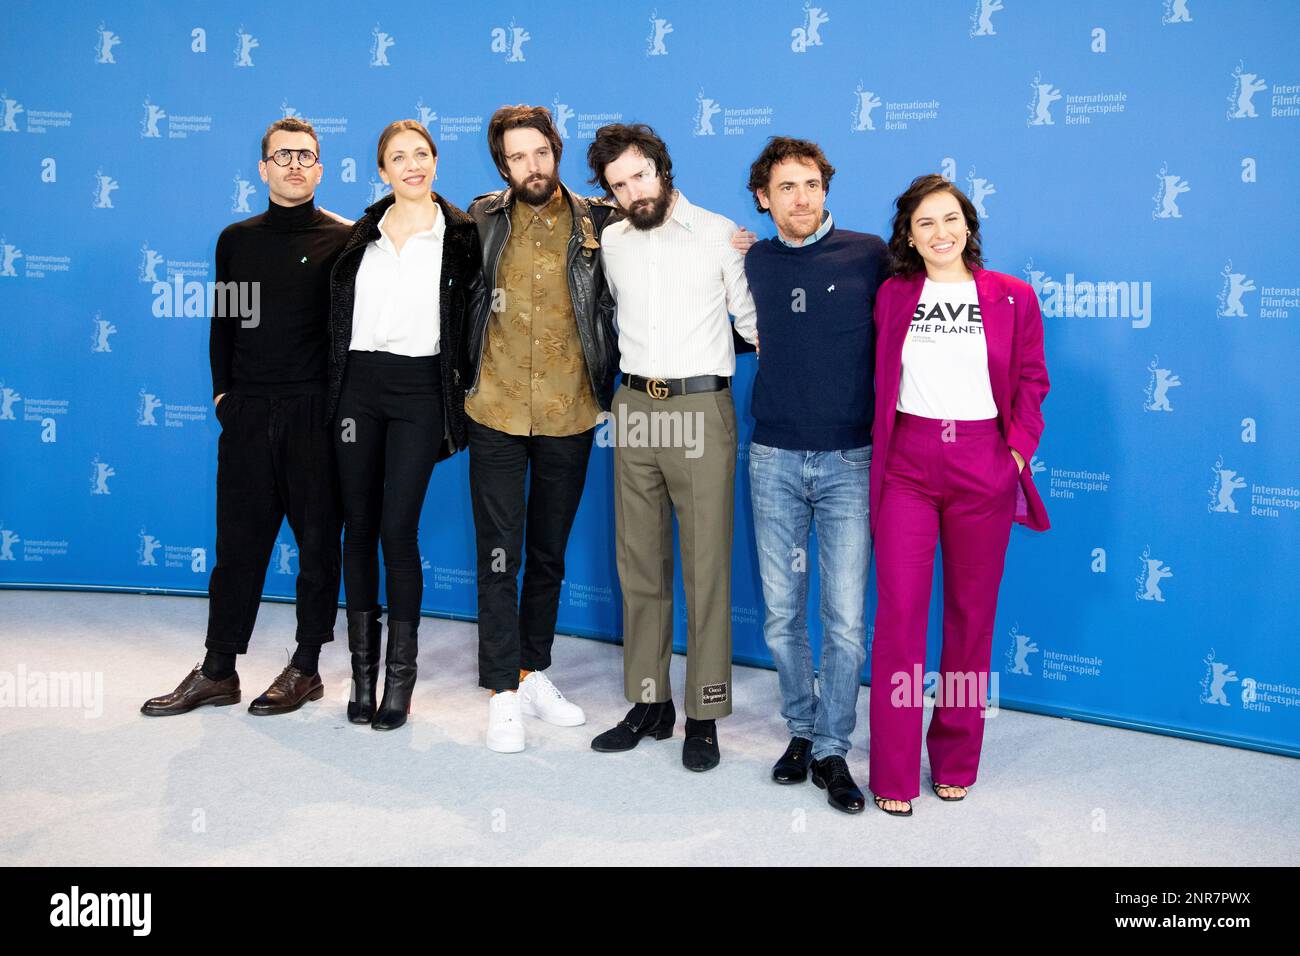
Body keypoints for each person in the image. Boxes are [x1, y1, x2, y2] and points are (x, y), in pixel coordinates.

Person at [142, 118, 351, 718]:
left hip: (314, 412)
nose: (293, 164)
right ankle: (218, 670)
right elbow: (224, 324)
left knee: (317, 546)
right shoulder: (236, 239)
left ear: (320, 168)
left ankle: (306, 667)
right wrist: (222, 397)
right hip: (248, 413)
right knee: (237, 547)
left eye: (305, 155)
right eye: (281, 155)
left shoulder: (345, 239)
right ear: (262, 169)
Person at [868, 174, 1050, 815]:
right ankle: (892, 771)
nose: (940, 233)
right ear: (909, 238)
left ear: (968, 226)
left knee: (971, 624)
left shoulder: (1011, 297)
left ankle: (955, 759)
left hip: (983, 468)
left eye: (950, 219)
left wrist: (1017, 451)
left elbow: (1032, 380)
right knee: (899, 621)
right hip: (908, 469)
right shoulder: (893, 295)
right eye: (925, 224)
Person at [585, 123, 758, 772]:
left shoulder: (718, 233)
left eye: (639, 174)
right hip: (633, 407)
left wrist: (763, 257)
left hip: (700, 407)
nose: (633, 191)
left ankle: (704, 711)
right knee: (641, 564)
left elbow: (754, 324)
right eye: (618, 183)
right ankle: (649, 702)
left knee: (706, 568)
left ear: (662, 167)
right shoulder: (612, 240)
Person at [463, 105, 621, 753]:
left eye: (540, 152)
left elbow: (663, 239)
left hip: (570, 411)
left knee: (548, 552)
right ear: (502, 164)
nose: (532, 166)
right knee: (499, 554)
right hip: (495, 410)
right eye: (517, 156)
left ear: (556, 150)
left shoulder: (600, 223)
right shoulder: (477, 220)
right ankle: (501, 691)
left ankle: (532, 672)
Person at [742, 137, 889, 813]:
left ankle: (833, 747)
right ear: (763, 199)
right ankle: (799, 729)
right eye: (786, 187)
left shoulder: (870, 256)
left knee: (846, 622)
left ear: (826, 189)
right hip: (772, 456)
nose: (800, 198)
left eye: (811, 184)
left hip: (850, 461)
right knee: (779, 617)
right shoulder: (753, 259)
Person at [326, 120, 484, 731]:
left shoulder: (463, 235)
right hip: (356, 390)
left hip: (421, 389)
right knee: (357, 530)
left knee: (397, 529)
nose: (411, 164)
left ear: (436, 163)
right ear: (382, 169)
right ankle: (361, 676)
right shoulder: (359, 234)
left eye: (421, 154)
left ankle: (400, 680)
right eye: (398, 156)